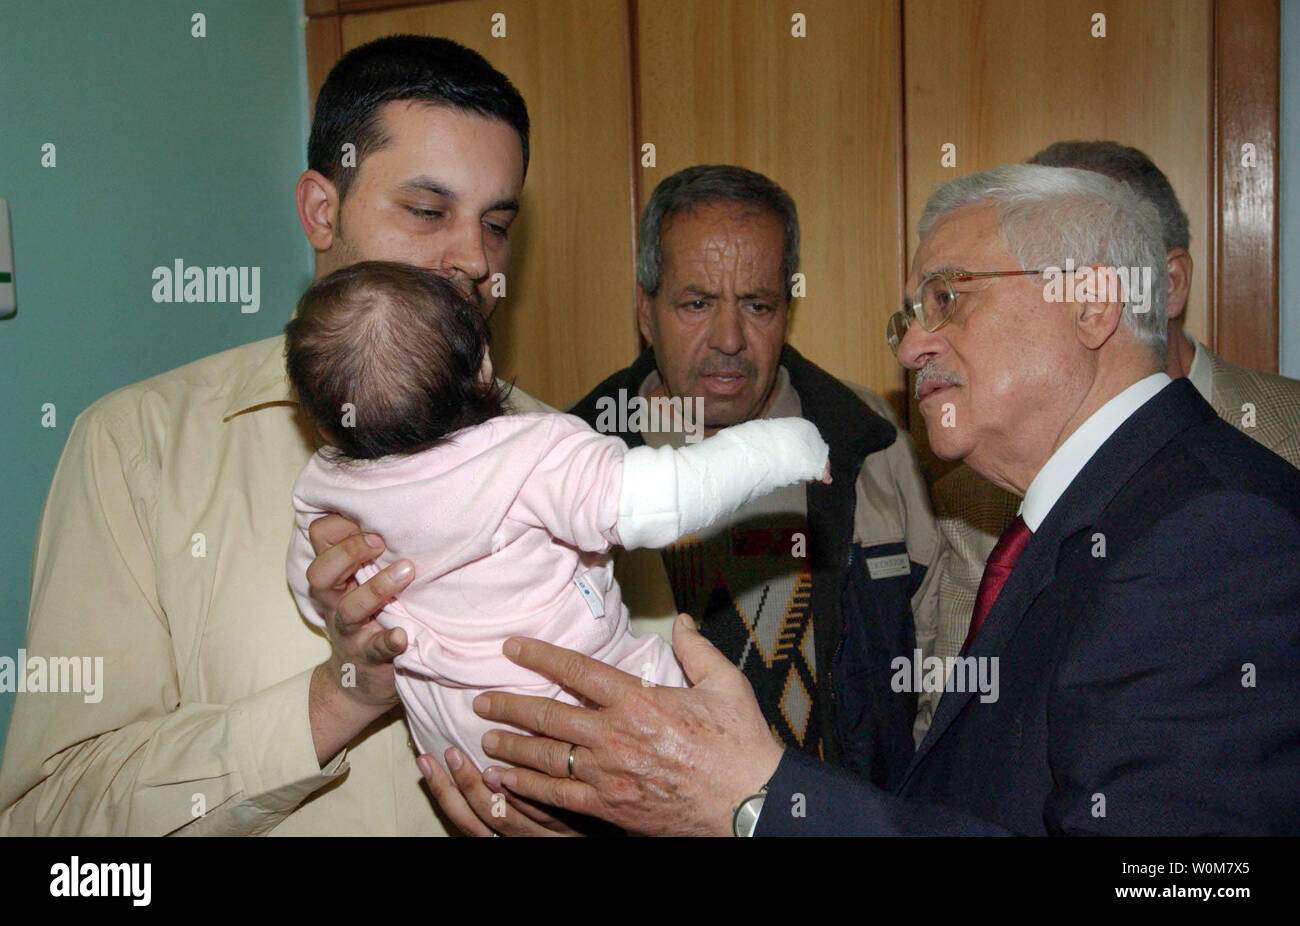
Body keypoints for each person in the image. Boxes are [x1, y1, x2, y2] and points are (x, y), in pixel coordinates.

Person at [459, 164, 1300, 836]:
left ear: (1091, 303)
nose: (913, 345)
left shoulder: (1217, 533)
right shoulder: (1089, 515)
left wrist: (761, 802)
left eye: (948, 298)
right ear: (646, 312)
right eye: (912, 315)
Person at [0, 36, 551, 835]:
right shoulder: (136, 449)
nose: (473, 258)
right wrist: (336, 699)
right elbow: (51, 833)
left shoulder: (559, 455)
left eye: (496, 225)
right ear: (321, 211)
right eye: (428, 211)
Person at [283, 260, 830, 772]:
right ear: (482, 371)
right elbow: (665, 499)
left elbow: (314, 594)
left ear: (327, 425)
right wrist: (787, 447)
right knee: (680, 699)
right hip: (577, 711)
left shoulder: (326, 483)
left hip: (460, 742)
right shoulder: (534, 453)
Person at [557, 165, 947, 794]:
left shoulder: (864, 436)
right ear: (646, 312)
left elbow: (939, 644)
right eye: (697, 304)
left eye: (757, 305)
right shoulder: (574, 461)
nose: (730, 339)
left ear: (786, 311)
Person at [926, 142, 1300, 715]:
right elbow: (953, 732)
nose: (912, 347)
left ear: (1163, 282)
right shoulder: (978, 489)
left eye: (951, 298)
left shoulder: (1270, 458)